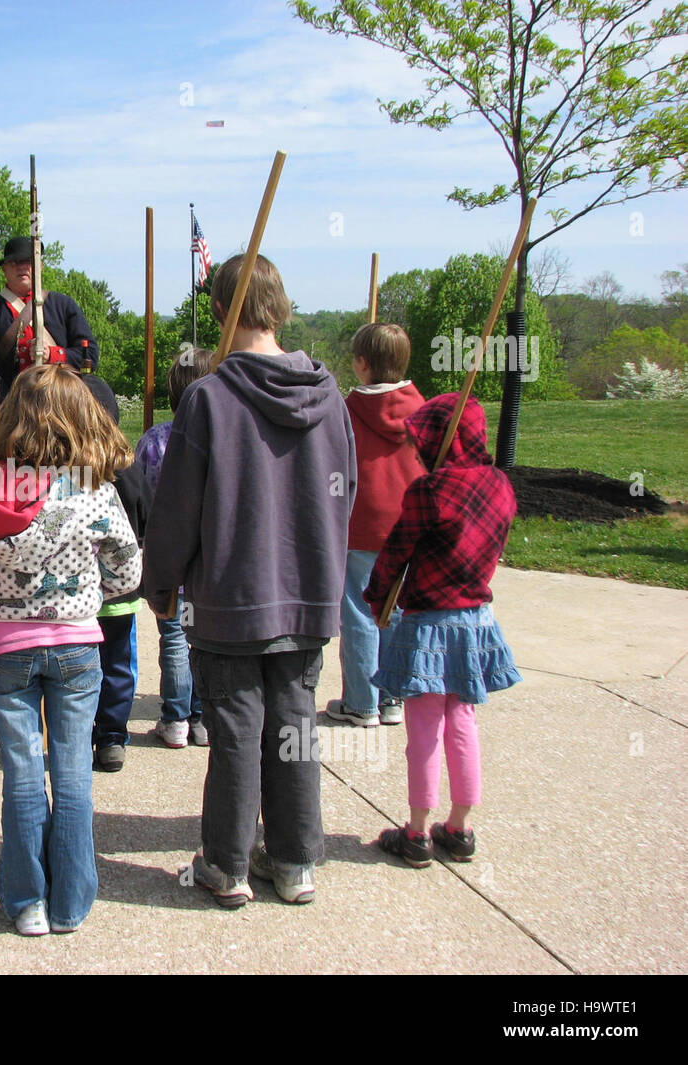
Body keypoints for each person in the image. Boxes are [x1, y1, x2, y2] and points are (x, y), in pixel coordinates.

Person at [142, 254, 355, 908]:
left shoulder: (210, 397)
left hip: (232, 596)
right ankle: (293, 863)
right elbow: (347, 491)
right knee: (293, 727)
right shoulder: (329, 395)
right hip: (305, 594)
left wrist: (162, 581)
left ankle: (229, 864)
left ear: (221, 308)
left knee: (236, 729)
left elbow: (177, 506)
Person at [0, 365, 141, 936]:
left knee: (24, 773)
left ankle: (27, 901)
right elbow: (129, 573)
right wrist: (90, 582)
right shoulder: (95, 490)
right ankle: (71, 903)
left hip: (4, 649)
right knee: (75, 773)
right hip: (78, 644)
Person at [365, 393, 522, 867]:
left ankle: (416, 832)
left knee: (424, 729)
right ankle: (460, 826)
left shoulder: (429, 491)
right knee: (463, 722)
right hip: (476, 621)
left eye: (422, 442)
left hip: (430, 625)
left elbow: (396, 552)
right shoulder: (501, 486)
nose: (417, 450)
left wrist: (377, 597)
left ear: (440, 440)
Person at [326, 324, 425, 729]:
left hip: (362, 524)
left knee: (359, 612)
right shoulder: (425, 409)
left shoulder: (347, 411)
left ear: (362, 364)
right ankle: (393, 698)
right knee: (396, 611)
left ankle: (362, 702)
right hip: (410, 526)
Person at [135, 347, 216, 749]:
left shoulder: (153, 442)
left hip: (166, 558)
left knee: (173, 638)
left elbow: (141, 495)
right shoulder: (221, 438)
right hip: (206, 562)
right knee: (200, 640)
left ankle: (176, 717)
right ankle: (199, 715)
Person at [82, 374, 151, 772]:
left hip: (78, 594)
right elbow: (148, 519)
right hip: (121, 594)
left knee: (82, 670)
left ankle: (89, 733)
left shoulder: (68, 471)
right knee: (119, 667)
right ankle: (111, 736)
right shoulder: (128, 468)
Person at [0, 236, 98, 397]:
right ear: (4, 268)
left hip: (62, 400)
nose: (22, 267)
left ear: (40, 266)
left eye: (28, 262)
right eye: (14, 262)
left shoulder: (63, 305)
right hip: (11, 404)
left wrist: (52, 354)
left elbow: (90, 356)